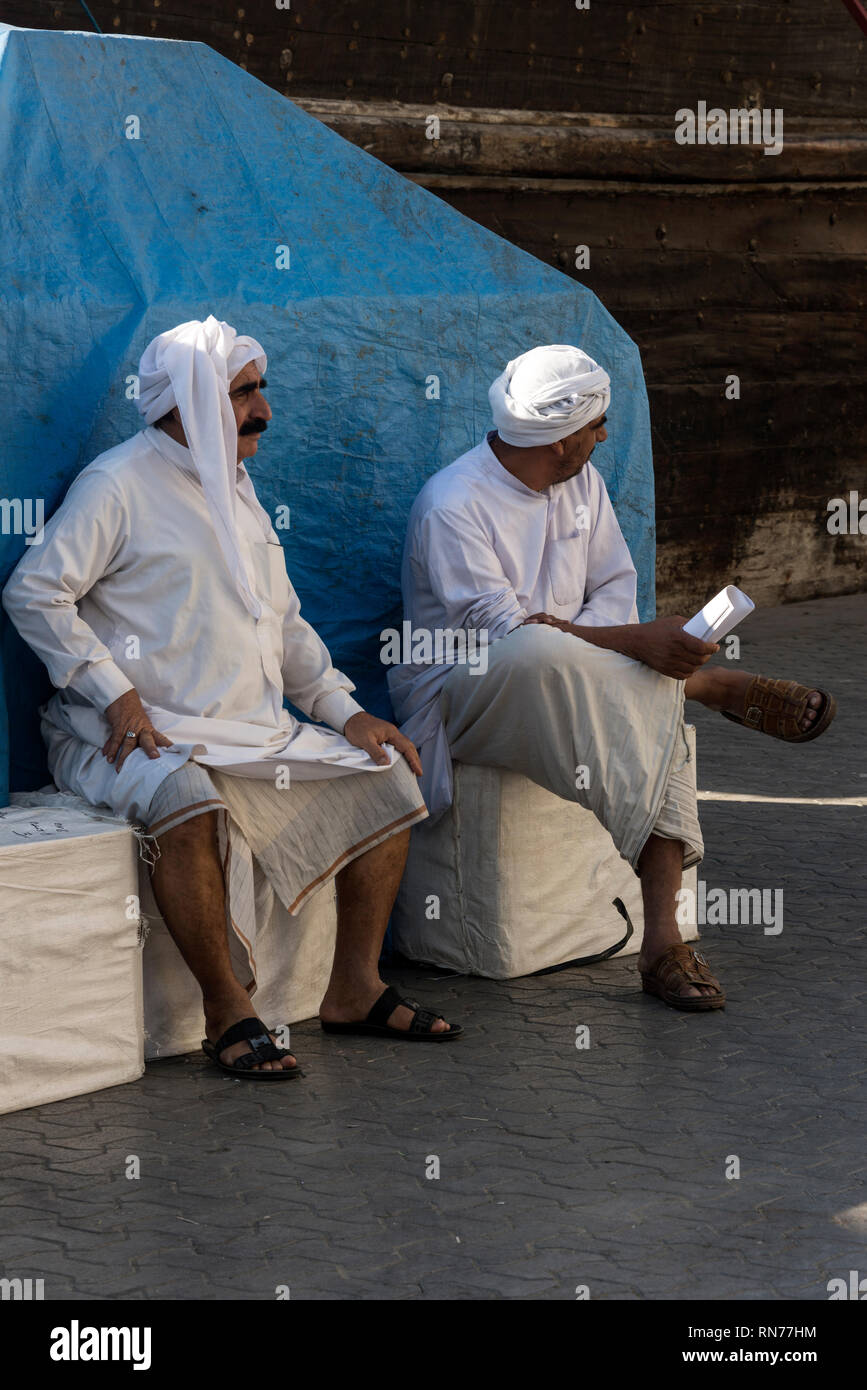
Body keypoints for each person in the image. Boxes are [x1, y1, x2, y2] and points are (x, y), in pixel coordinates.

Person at [2, 316, 461, 1080]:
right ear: (184, 401)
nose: (265, 410)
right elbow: (35, 592)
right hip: (122, 733)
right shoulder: (117, 484)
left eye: (260, 389)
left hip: (248, 733)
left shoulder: (240, 492)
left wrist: (350, 714)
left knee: (385, 771)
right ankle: (226, 1009)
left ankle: (354, 988)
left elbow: (283, 628)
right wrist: (114, 694)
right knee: (184, 796)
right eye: (243, 392)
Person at [389, 344, 836, 1012]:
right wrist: (623, 641)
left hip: (574, 668)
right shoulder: (451, 504)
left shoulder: (583, 484)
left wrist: (612, 640)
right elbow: (500, 635)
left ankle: (661, 945)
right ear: (564, 440)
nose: (604, 435)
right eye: (596, 425)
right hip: (463, 692)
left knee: (642, 682)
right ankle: (707, 687)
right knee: (540, 654)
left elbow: (612, 592)